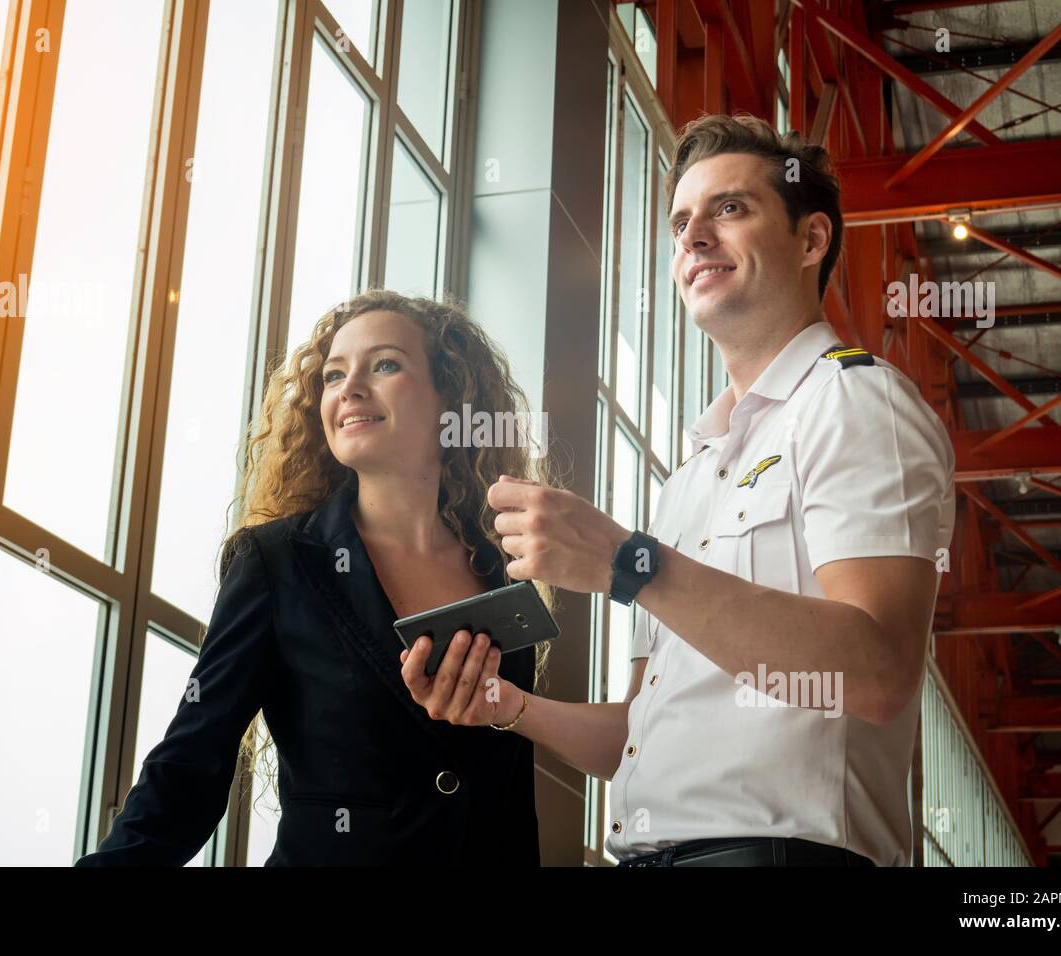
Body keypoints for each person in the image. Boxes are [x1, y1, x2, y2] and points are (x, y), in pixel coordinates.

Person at [404, 113, 955, 868]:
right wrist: (507, 706)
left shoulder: (856, 404)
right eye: (680, 222)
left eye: (730, 208)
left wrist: (630, 565)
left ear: (811, 240)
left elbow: (879, 672)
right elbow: (636, 733)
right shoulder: (691, 477)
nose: (693, 237)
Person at [76, 289, 550, 866]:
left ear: (449, 395)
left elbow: (508, 795)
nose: (350, 387)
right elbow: (190, 765)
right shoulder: (276, 562)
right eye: (332, 375)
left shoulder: (503, 570)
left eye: (385, 364)